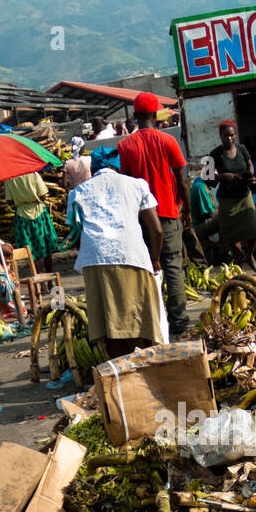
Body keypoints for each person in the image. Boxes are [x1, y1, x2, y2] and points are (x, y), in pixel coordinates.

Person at [66, 147, 164, 358]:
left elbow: (75, 233)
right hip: (131, 254)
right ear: (117, 165)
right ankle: (143, 364)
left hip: (94, 257)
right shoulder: (137, 184)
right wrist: (155, 259)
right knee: (139, 316)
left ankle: (118, 370)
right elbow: (157, 230)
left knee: (108, 321)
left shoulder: (78, 192)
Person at [118, 91, 192, 337]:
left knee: (147, 269)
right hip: (169, 214)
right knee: (172, 266)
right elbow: (182, 179)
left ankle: (153, 323)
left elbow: (127, 185)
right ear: (153, 114)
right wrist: (188, 209)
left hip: (140, 219)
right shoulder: (168, 141)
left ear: (137, 115)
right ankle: (179, 323)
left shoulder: (125, 145)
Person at [210, 120, 256, 272]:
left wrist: (250, 175)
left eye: (232, 135)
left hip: (244, 195)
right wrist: (225, 176)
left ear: (235, 134)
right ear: (220, 136)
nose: (229, 138)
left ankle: (250, 256)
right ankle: (239, 260)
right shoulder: (215, 154)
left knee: (253, 229)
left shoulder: (242, 149)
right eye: (226, 136)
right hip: (227, 199)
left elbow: (250, 164)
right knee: (232, 234)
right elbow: (208, 179)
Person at [4, 171, 60, 273]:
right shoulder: (34, 174)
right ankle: (50, 281)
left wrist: (20, 198)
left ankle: (39, 279)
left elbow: (10, 201)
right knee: (46, 248)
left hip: (22, 215)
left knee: (31, 251)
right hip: (39, 212)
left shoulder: (9, 178)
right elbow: (43, 196)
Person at [188, 159, 219, 265]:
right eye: (217, 178)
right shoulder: (201, 188)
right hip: (196, 228)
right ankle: (224, 251)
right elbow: (208, 214)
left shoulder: (200, 183)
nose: (218, 181)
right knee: (225, 216)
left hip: (198, 224)